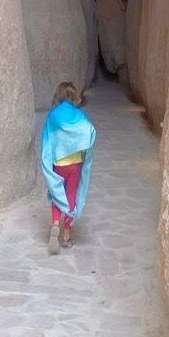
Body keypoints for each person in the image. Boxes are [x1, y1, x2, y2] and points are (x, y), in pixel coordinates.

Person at [40, 82, 96, 255]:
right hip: (75, 164)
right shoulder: (79, 115)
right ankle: (66, 234)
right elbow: (89, 130)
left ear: (58, 96)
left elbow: (47, 142)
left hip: (58, 164)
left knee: (57, 193)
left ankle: (55, 224)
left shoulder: (53, 116)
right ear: (74, 96)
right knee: (71, 195)